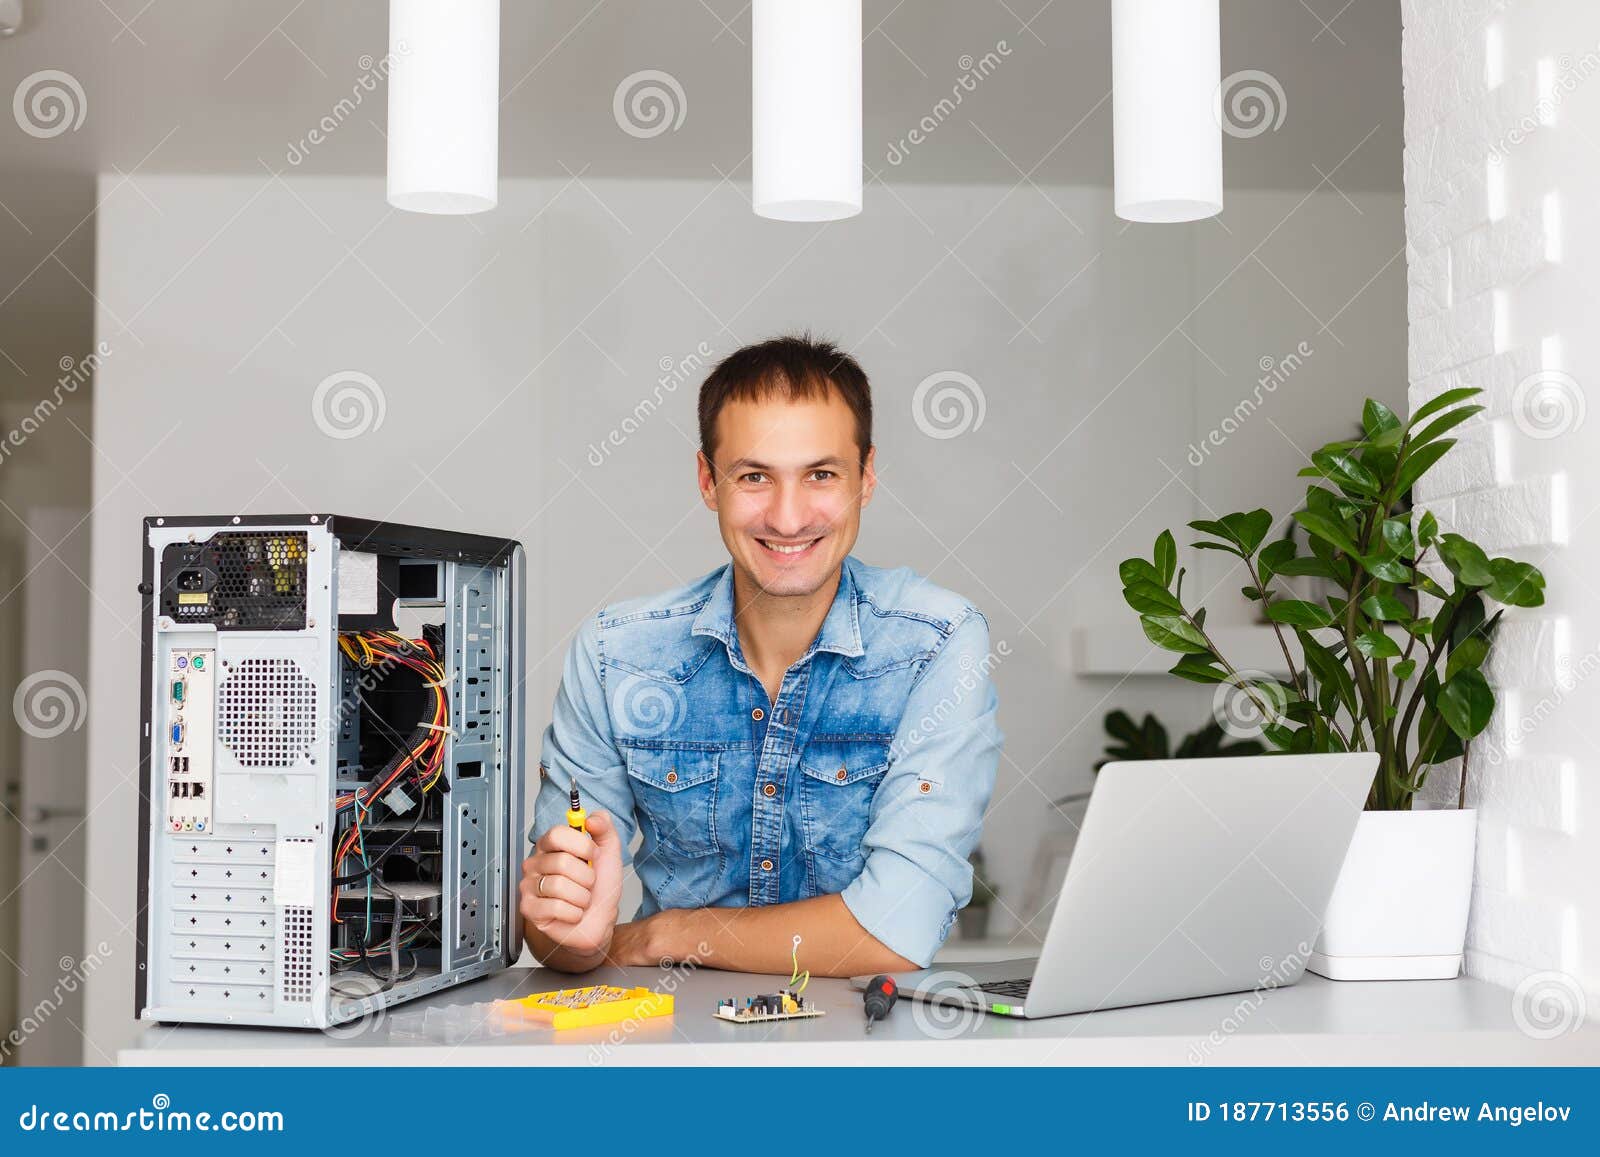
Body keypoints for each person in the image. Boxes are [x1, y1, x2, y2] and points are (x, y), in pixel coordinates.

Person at [520, 334, 1003, 976]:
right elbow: (559, 942)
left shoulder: (937, 642)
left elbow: (895, 931)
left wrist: (663, 934)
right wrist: (568, 928)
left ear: (867, 477)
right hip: (669, 1048)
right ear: (707, 481)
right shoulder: (617, 655)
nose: (788, 515)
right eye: (754, 477)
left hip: (865, 1056)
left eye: (821, 474)